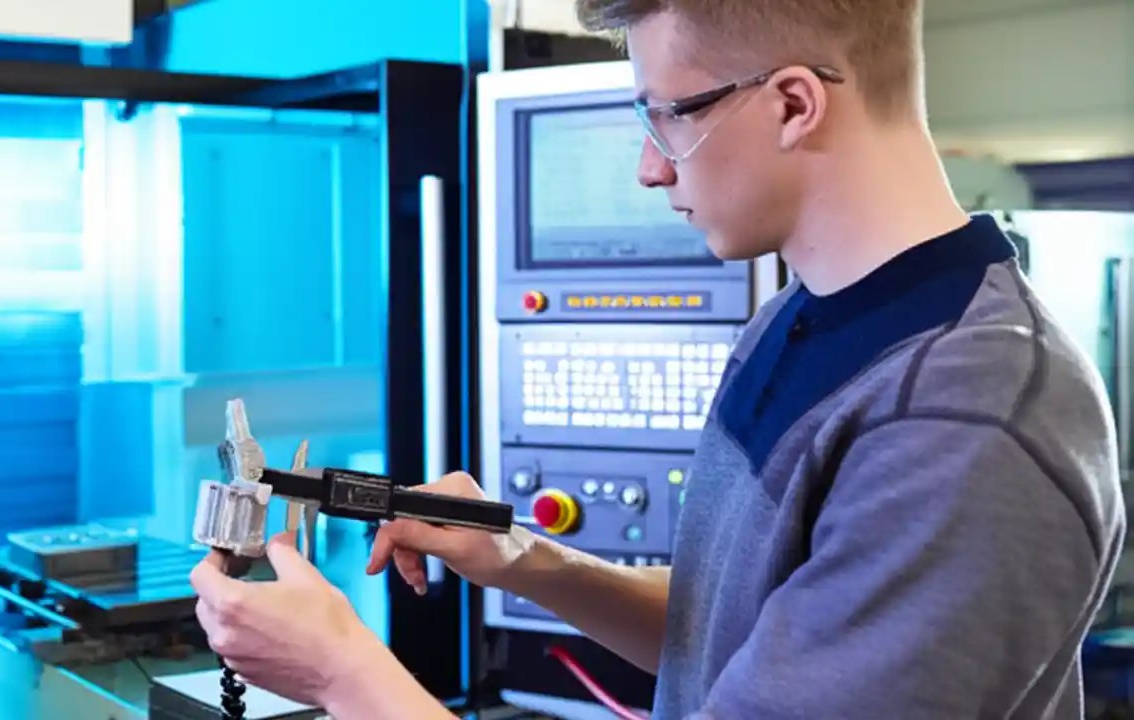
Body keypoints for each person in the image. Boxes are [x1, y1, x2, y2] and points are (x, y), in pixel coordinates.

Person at [191, 0, 1127, 717]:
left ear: (794, 102)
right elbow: (740, 633)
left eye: (668, 116)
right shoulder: (798, 322)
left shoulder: (970, 419)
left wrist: (345, 675)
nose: (650, 166)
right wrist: (530, 562)